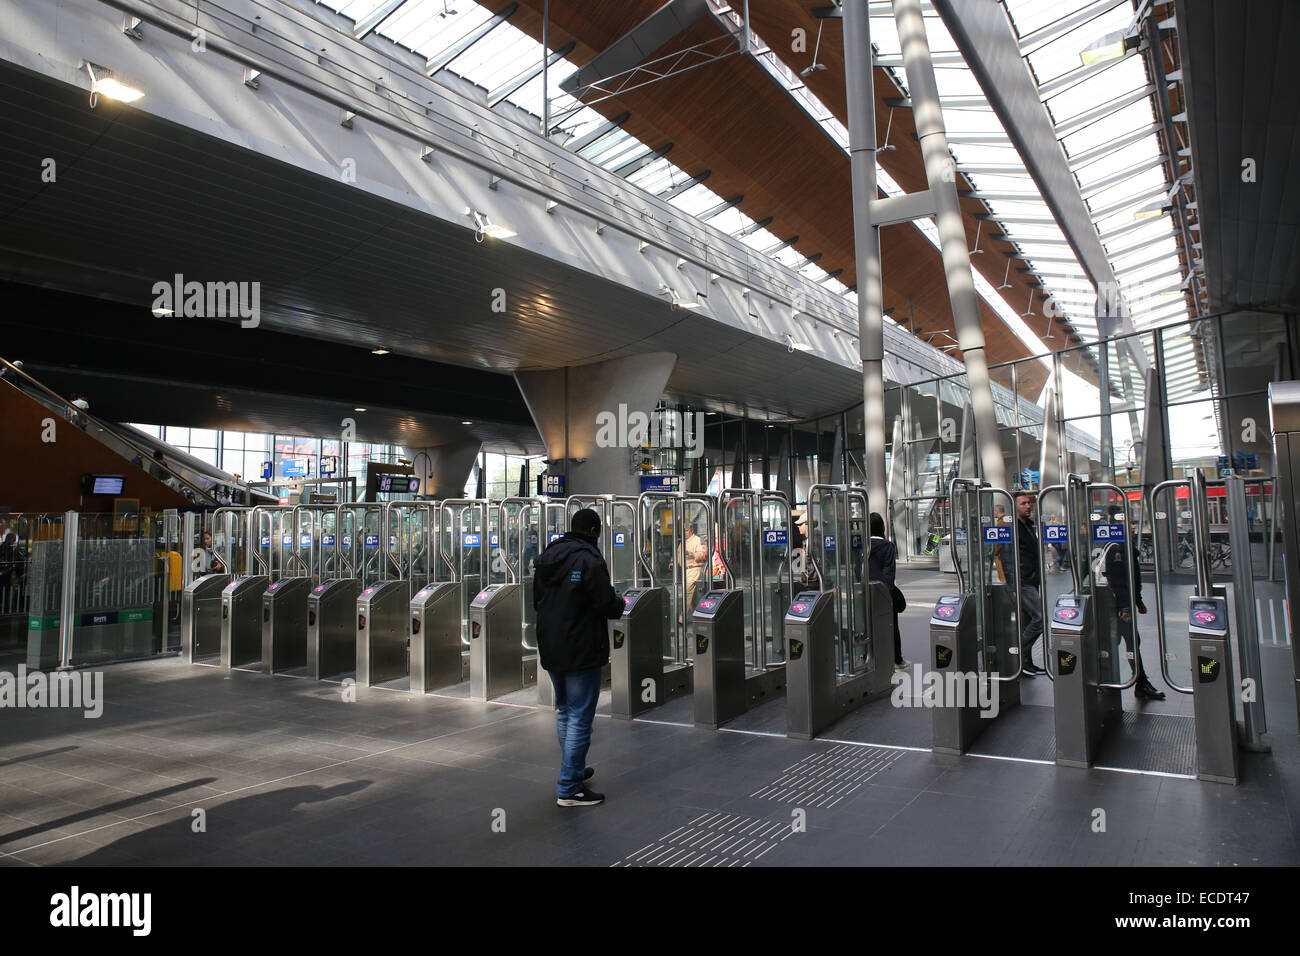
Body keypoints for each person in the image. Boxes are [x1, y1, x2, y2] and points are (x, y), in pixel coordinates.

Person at [533, 508, 625, 808]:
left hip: (551, 644)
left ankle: (573, 770)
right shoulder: (589, 558)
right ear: (594, 531)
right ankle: (569, 788)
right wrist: (620, 600)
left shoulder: (548, 555)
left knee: (565, 711)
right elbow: (606, 604)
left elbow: (537, 601)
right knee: (580, 717)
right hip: (581, 646)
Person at [1103, 538, 1165, 700]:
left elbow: (1132, 578)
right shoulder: (1116, 548)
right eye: (1126, 522)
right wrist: (1125, 607)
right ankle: (1139, 682)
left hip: (1124, 603)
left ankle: (1139, 682)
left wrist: (1137, 600)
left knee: (1127, 642)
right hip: (1120, 606)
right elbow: (1118, 581)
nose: (1131, 526)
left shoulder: (1124, 547)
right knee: (1129, 641)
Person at [868, 513, 908, 671]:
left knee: (869, 625)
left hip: (865, 592)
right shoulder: (888, 546)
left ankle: (869, 658)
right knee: (892, 626)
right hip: (884, 593)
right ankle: (897, 660)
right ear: (882, 528)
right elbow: (889, 574)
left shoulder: (863, 545)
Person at [1013, 492, 1045, 676]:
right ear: (1015, 506)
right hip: (1022, 580)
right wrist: (1012, 583)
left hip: (1032, 579)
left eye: (1028, 503)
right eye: (1023, 503)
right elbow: (1008, 557)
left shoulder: (1029, 526)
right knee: (1039, 619)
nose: (1027, 506)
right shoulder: (1013, 528)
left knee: (1026, 623)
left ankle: (1026, 661)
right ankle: (1017, 654)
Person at [682, 522, 706, 613]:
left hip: (694, 569)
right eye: (684, 531)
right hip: (686, 570)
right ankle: (697, 613)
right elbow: (679, 554)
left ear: (691, 531)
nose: (685, 533)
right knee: (692, 595)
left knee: (688, 592)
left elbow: (701, 556)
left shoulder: (697, 540)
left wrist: (691, 554)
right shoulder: (684, 541)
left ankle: (682, 616)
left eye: (687, 531)